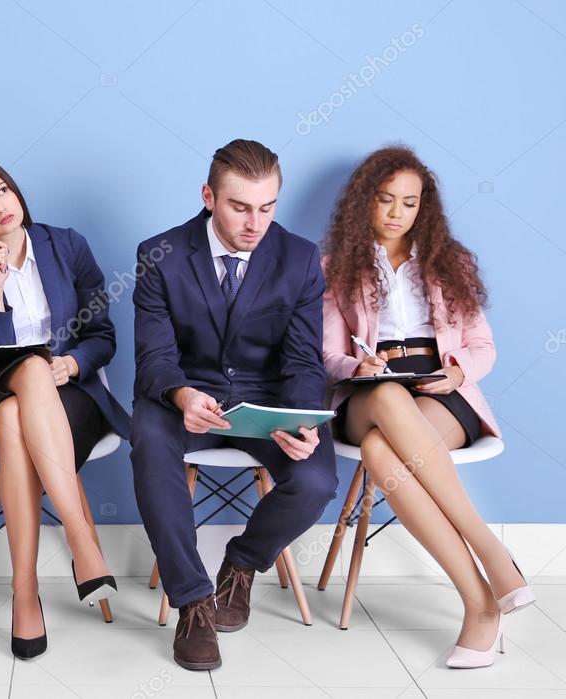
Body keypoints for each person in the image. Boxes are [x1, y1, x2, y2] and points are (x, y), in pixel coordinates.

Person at [321, 145, 532, 669]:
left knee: (380, 452)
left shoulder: (449, 262)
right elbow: (324, 353)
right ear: (363, 201)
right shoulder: (334, 266)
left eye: (409, 203)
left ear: (424, 208)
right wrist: (356, 368)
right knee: (388, 399)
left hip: (441, 390)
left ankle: (480, 604)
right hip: (371, 390)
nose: (396, 212)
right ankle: (492, 553)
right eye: (385, 199)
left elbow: (483, 345)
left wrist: (458, 372)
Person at [130, 139, 337, 670]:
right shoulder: (160, 254)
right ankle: (194, 603)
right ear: (208, 196)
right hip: (182, 393)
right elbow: (153, 357)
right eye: (240, 206)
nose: (255, 222)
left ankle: (242, 564)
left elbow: (304, 361)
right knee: (150, 444)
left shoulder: (299, 257)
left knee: (315, 480)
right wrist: (180, 394)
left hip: (267, 399)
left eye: (267, 207)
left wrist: (301, 417)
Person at [0, 156, 130, 659]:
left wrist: (74, 364)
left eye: (2, 190)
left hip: (66, 401)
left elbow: (103, 335)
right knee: (19, 383)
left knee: (18, 407)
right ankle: (80, 539)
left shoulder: (66, 244)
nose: (0, 206)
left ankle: (25, 596)